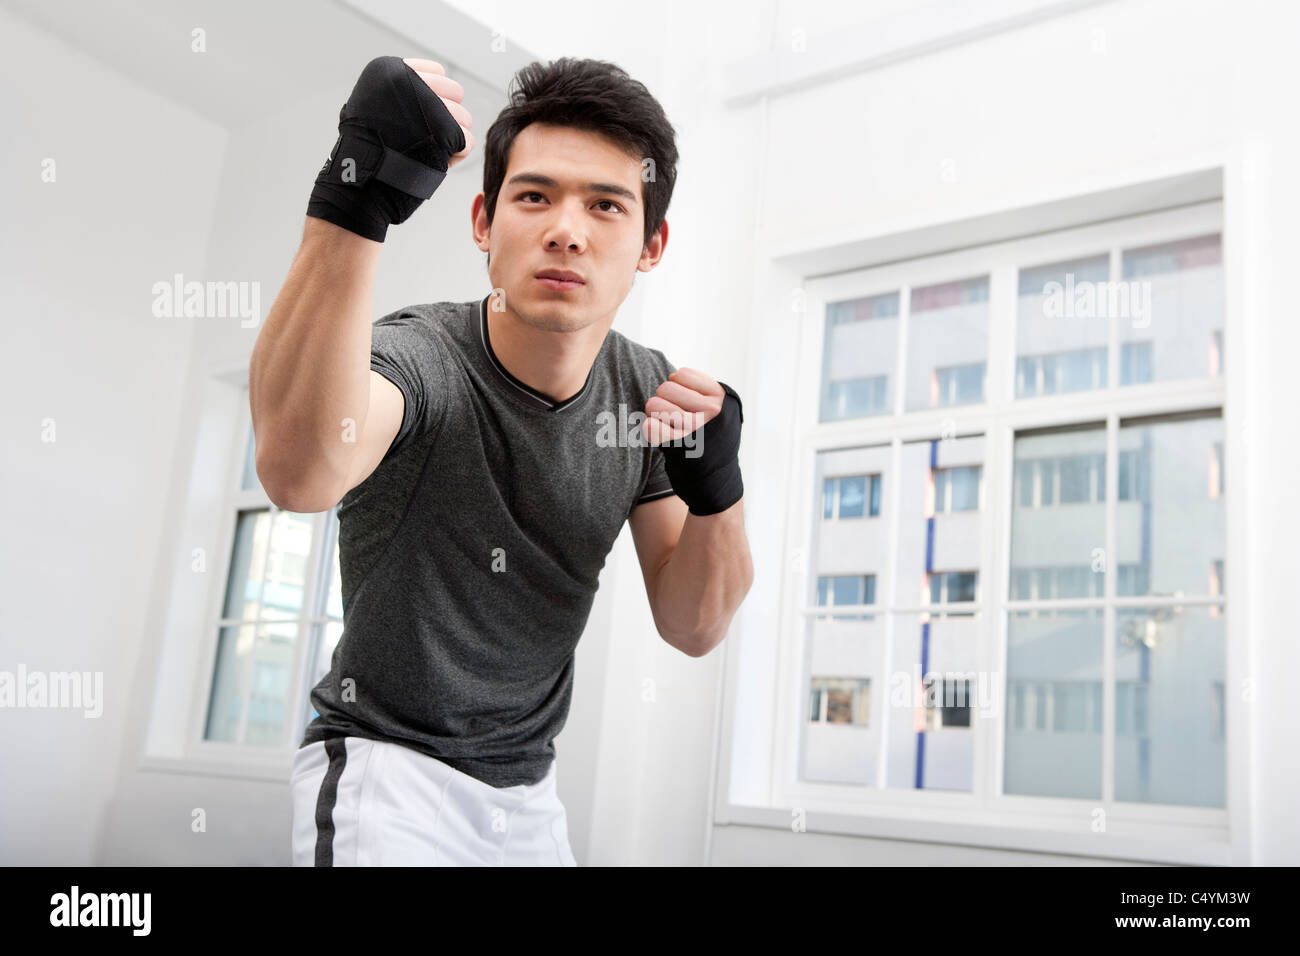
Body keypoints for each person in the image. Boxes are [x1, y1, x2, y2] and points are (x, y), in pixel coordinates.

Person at [250, 54, 754, 866]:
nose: (566, 228)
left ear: (651, 244)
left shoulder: (646, 394)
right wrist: (350, 206)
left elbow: (693, 626)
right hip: (387, 772)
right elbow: (297, 473)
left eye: (605, 205)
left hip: (527, 798)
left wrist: (718, 494)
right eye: (534, 196)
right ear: (483, 221)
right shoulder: (424, 358)